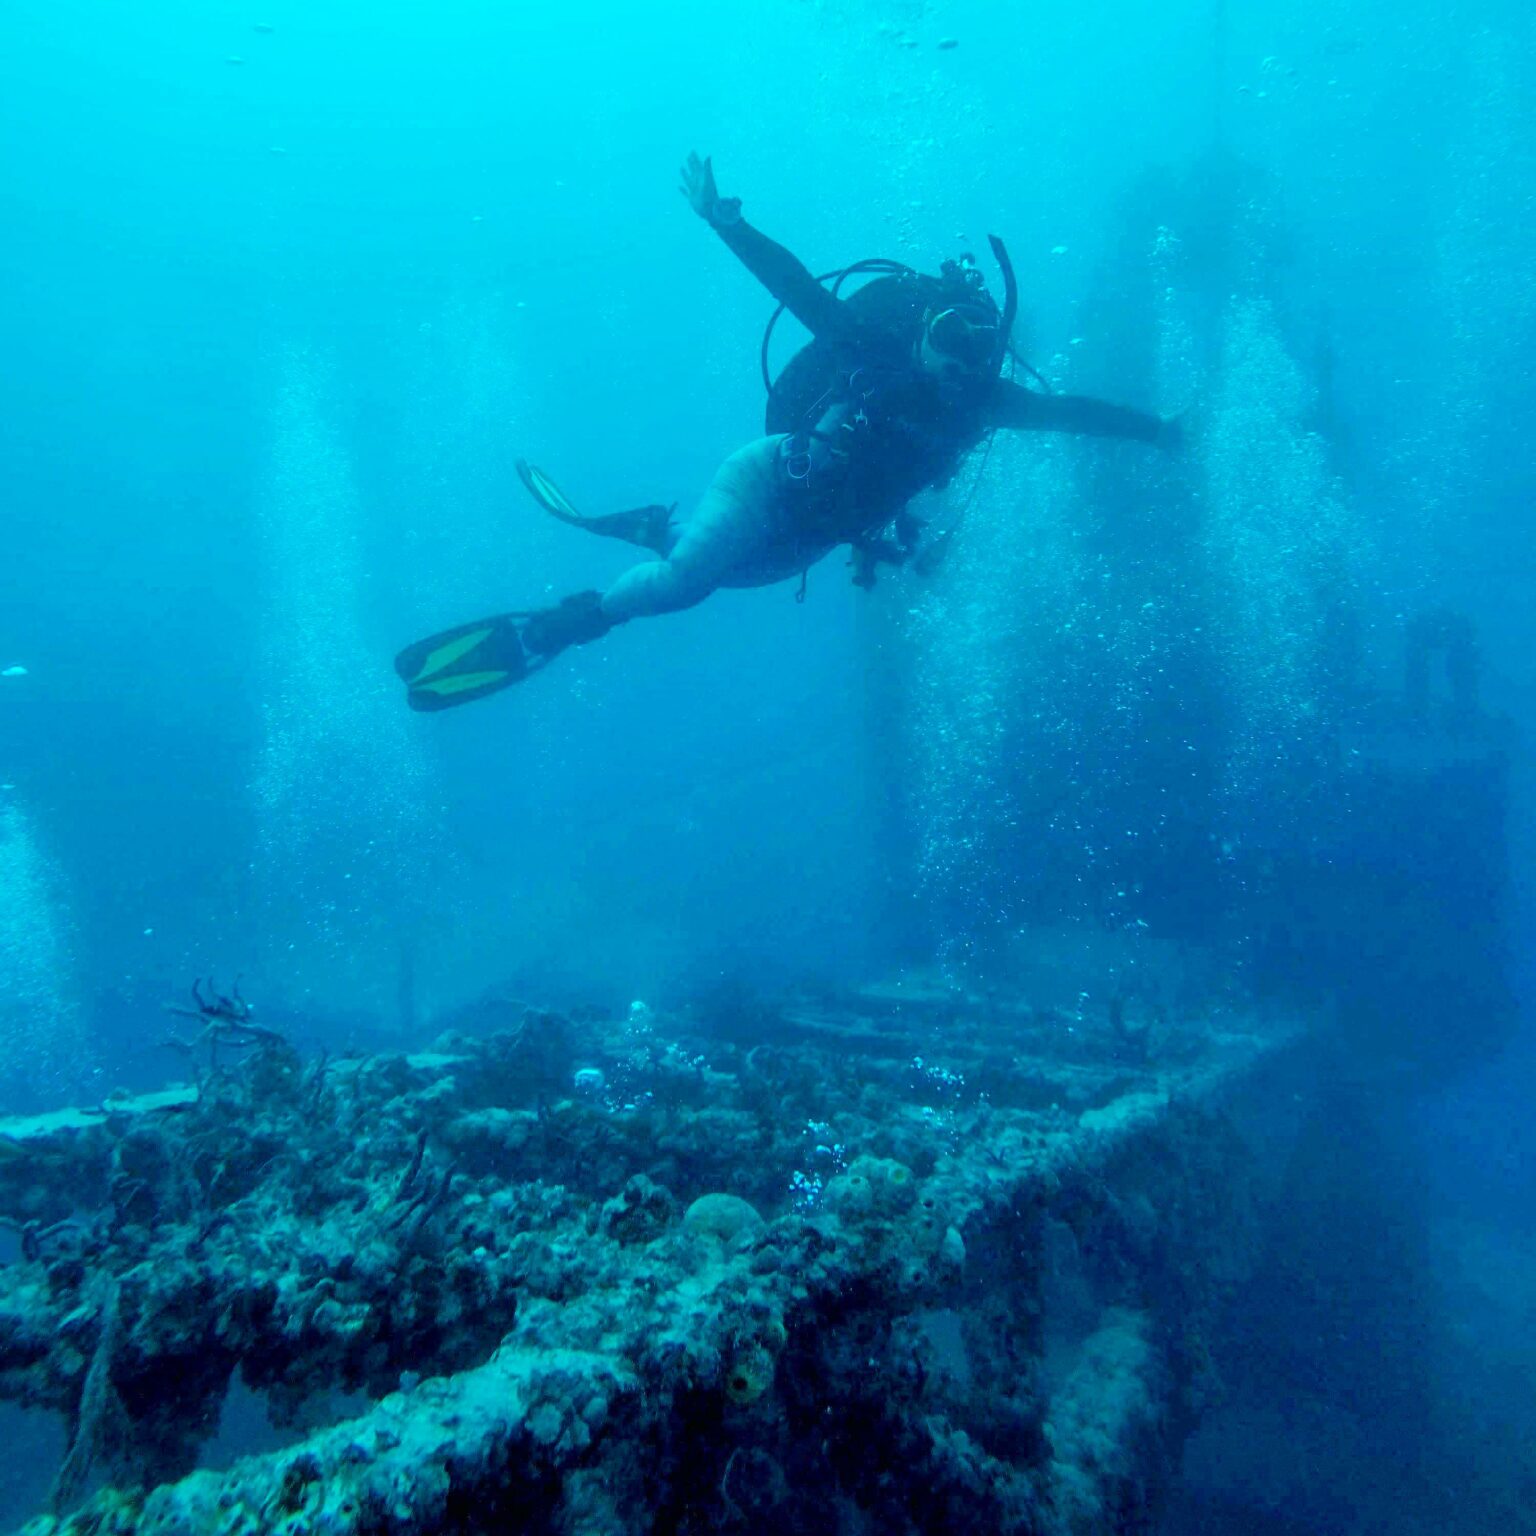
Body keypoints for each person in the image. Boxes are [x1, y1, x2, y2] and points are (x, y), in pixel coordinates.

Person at [396, 154, 1177, 712]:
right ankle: (573, 621)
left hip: (820, 533)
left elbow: (1079, 414)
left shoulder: (988, 405)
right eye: (950, 338)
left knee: (722, 572)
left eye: (979, 347)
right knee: (685, 585)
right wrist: (723, 220)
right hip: (771, 478)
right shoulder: (871, 347)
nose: (961, 363)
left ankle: (659, 524)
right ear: (924, 330)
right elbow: (796, 287)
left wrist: (1161, 433)